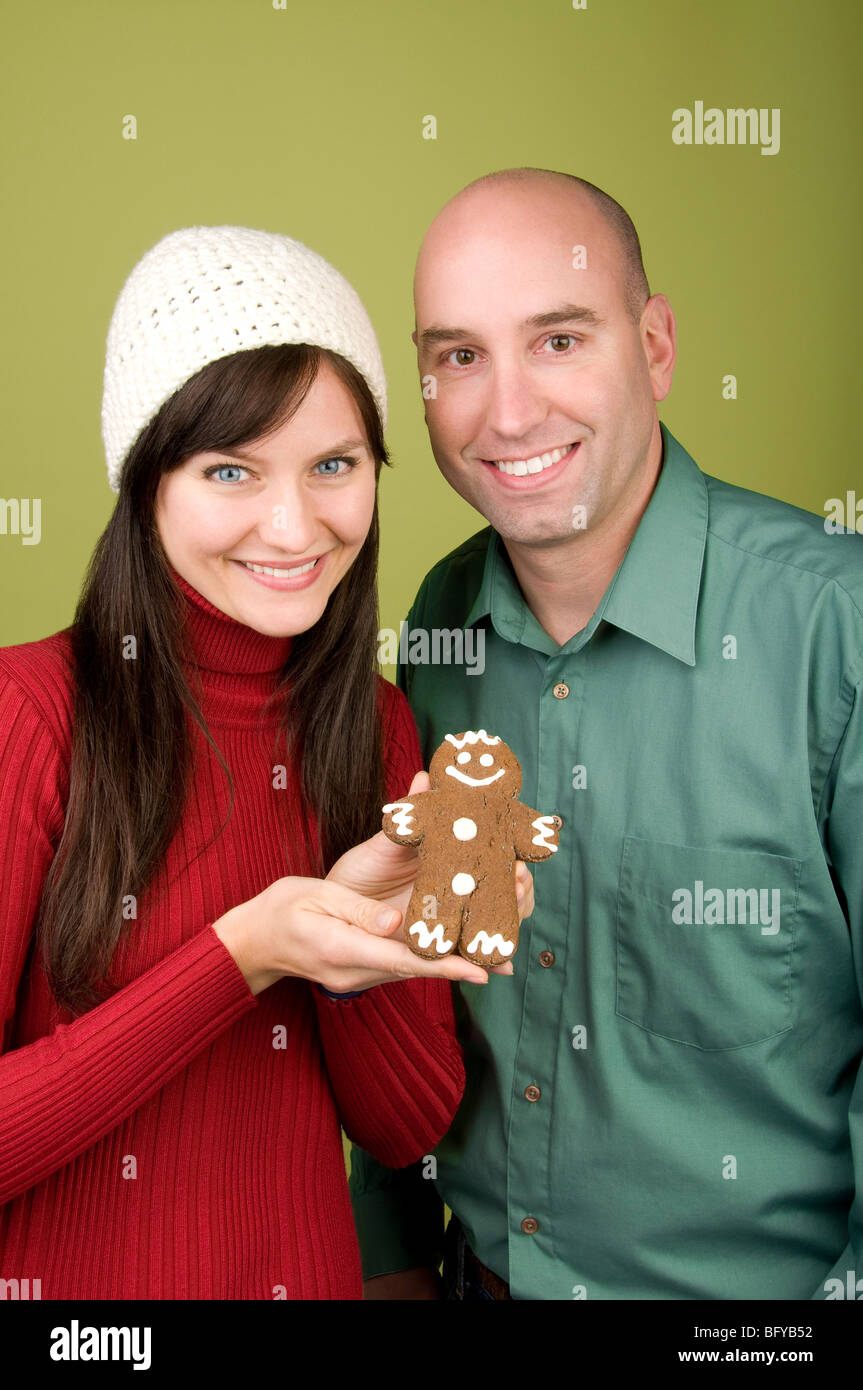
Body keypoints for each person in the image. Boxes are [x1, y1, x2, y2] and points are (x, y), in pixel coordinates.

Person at [351, 168, 863, 1301]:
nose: (508, 413)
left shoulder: (837, 631)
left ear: (656, 347)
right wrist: (387, 1252)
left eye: (557, 340)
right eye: (458, 356)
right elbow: (403, 986)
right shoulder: (437, 624)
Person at [0, 224, 531, 1300]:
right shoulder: (31, 714)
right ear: (146, 477)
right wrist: (240, 956)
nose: (293, 525)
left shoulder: (377, 727)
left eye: (333, 465)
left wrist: (367, 948)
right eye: (231, 469)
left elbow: (405, 1125)